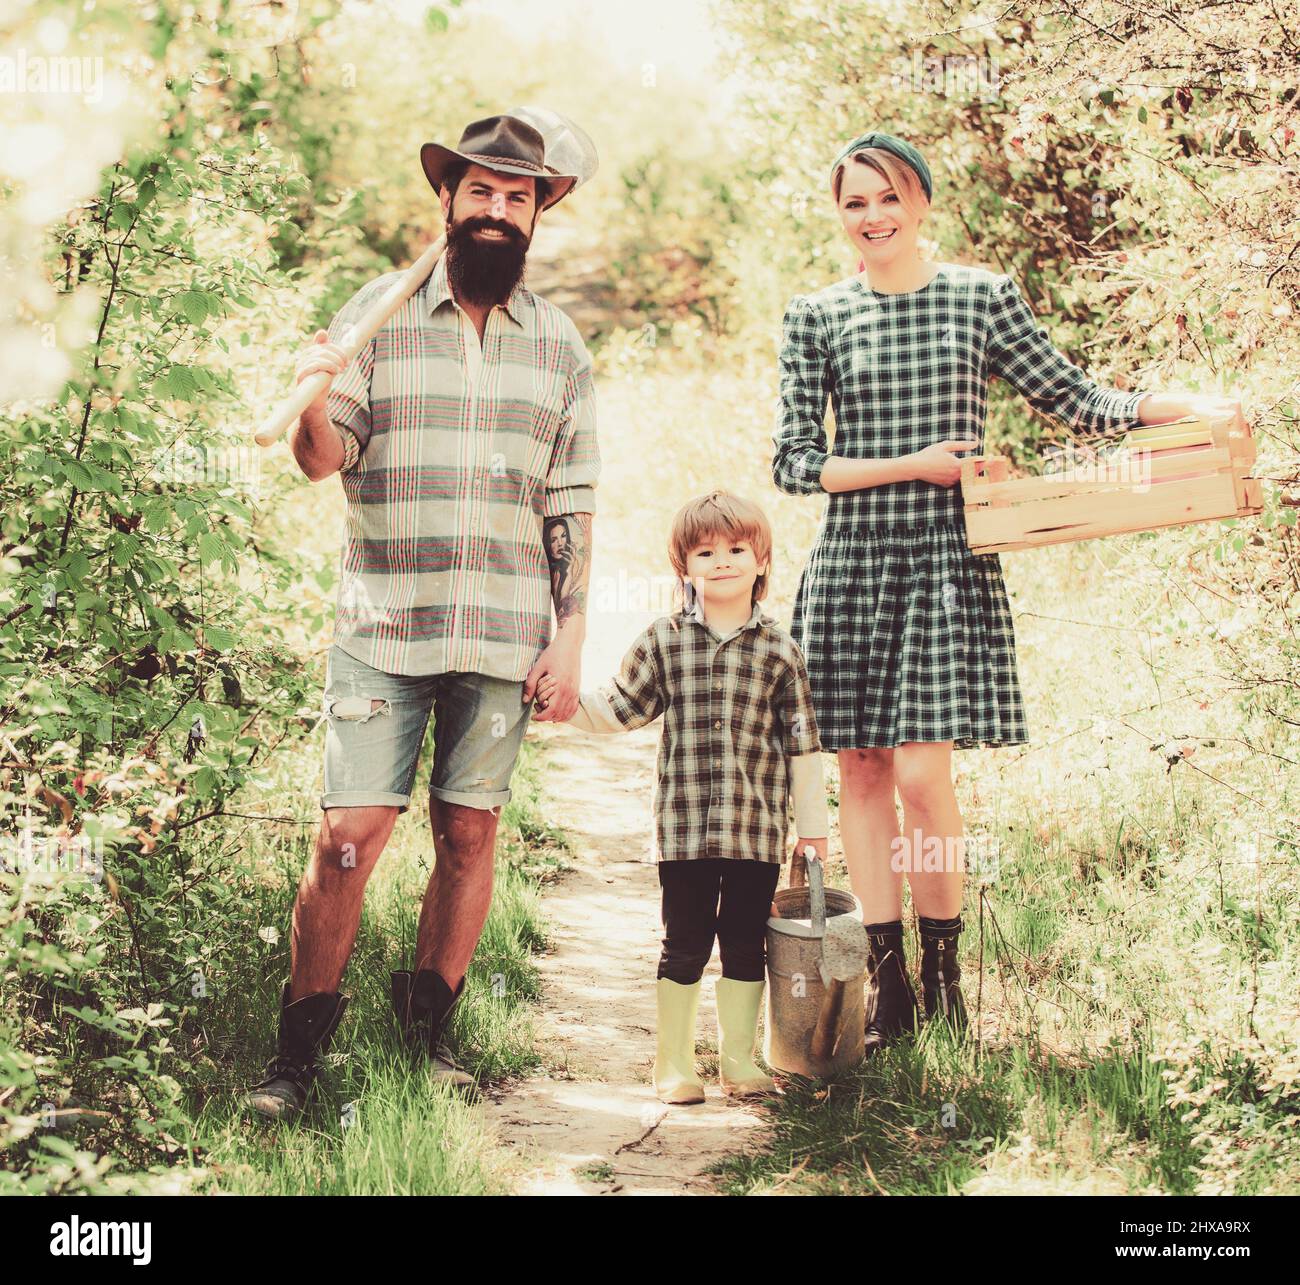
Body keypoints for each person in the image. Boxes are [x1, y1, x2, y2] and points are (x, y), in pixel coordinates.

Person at [773, 129, 1249, 1056]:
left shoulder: (980, 297)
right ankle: (889, 986)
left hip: (946, 563)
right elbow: (795, 462)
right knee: (862, 771)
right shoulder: (817, 315)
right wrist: (911, 463)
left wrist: (1181, 405)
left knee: (921, 775)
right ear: (839, 215)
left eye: (889, 196)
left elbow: (1074, 398)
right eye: (854, 202)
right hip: (851, 563)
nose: (873, 216)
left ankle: (946, 979)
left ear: (922, 201)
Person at [245, 113, 599, 1118]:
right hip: (385, 624)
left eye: (517, 196)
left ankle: (425, 1040)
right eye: (480, 191)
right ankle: (295, 1059)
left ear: (536, 214)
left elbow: (571, 500)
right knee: (347, 836)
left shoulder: (559, 345)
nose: (497, 210)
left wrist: (571, 631)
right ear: (447, 199)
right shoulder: (380, 313)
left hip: (502, 630)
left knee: (470, 831)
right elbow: (323, 459)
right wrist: (315, 398)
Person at [536, 492, 828, 1102]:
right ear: (684, 568)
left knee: (745, 943)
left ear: (762, 561)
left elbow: (802, 745)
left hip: (755, 832)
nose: (722, 562)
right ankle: (673, 1065)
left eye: (736, 550)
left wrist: (813, 830)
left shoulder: (781, 651)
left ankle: (738, 1060)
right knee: (685, 942)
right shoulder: (664, 640)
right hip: (684, 831)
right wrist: (564, 705)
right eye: (705, 552)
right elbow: (621, 705)